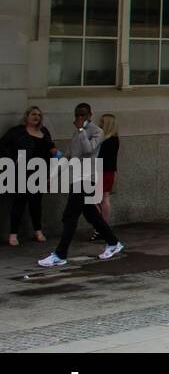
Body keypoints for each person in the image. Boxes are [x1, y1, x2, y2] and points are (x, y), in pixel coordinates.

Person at [38, 103, 123, 267]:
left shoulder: (97, 131)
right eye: (77, 115)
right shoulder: (77, 133)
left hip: (87, 178)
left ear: (90, 115)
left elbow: (88, 148)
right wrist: (53, 176)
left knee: (70, 215)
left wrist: (81, 130)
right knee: (91, 214)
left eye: (83, 115)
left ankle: (60, 254)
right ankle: (113, 242)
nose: (80, 118)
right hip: (77, 177)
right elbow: (69, 155)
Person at [2, 106, 56, 247]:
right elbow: (2, 145)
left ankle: (38, 231)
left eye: (39, 114)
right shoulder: (17, 131)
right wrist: (13, 160)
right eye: (33, 114)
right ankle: (13, 234)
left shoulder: (44, 132)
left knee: (36, 203)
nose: (36, 117)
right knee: (19, 203)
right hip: (23, 172)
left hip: (40, 172)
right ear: (27, 116)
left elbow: (50, 149)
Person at [89, 113, 120, 242]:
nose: (100, 124)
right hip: (109, 171)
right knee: (104, 198)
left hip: (101, 171)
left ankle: (100, 227)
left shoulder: (106, 140)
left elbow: (98, 156)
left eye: (102, 122)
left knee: (95, 199)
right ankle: (103, 226)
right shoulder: (115, 139)